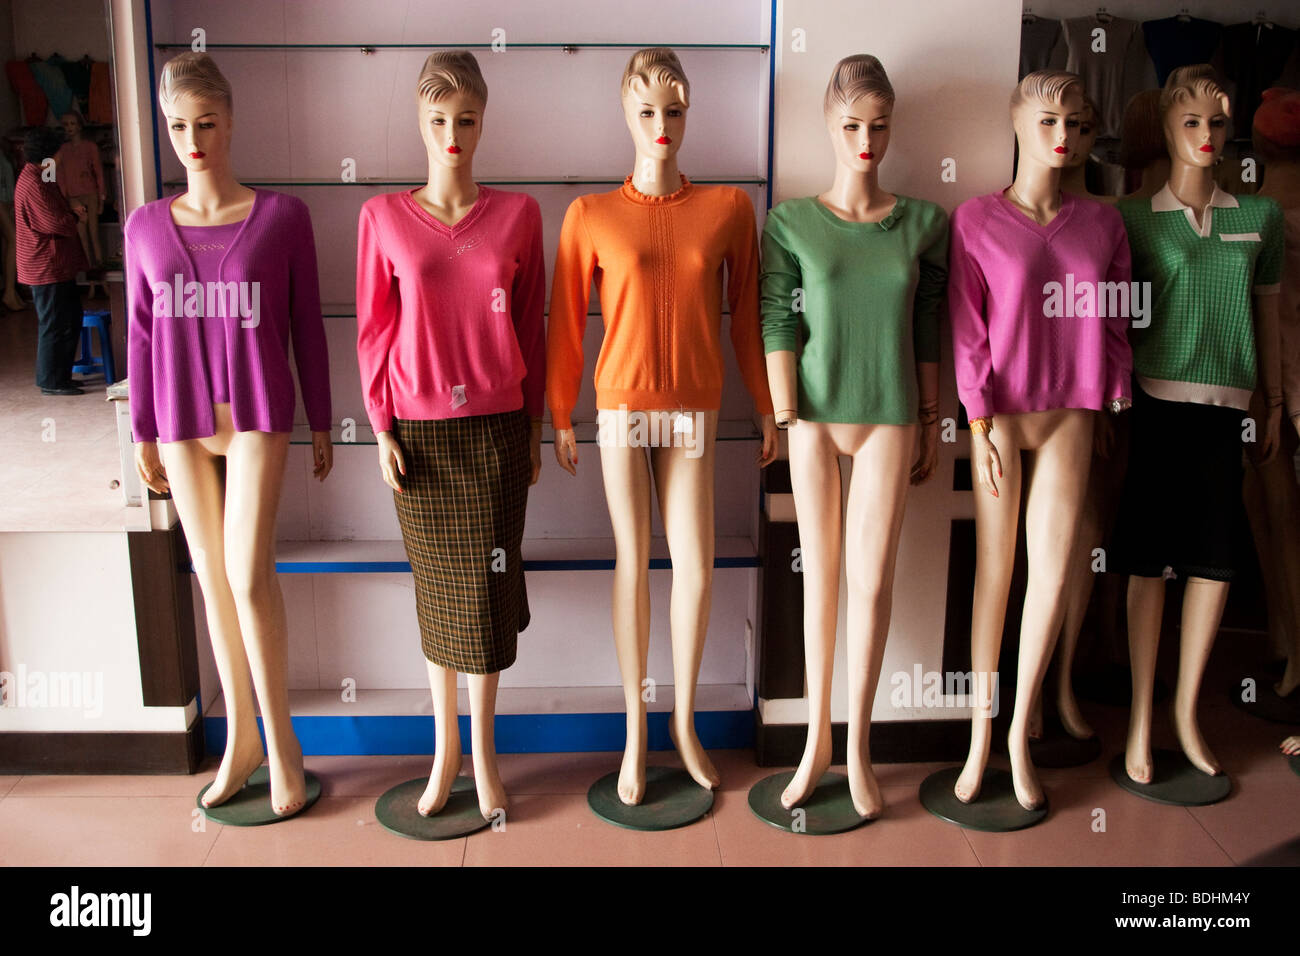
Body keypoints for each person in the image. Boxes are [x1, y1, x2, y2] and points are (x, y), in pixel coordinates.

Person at [15, 124, 88, 395]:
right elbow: (53, 222)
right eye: (59, 152)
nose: (61, 157)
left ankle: (60, 376)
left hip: (55, 265)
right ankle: (51, 381)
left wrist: (69, 209)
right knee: (55, 324)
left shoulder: (41, 175)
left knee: (69, 318)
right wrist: (75, 218)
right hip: (45, 265)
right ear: (48, 154)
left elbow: (56, 208)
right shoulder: (35, 182)